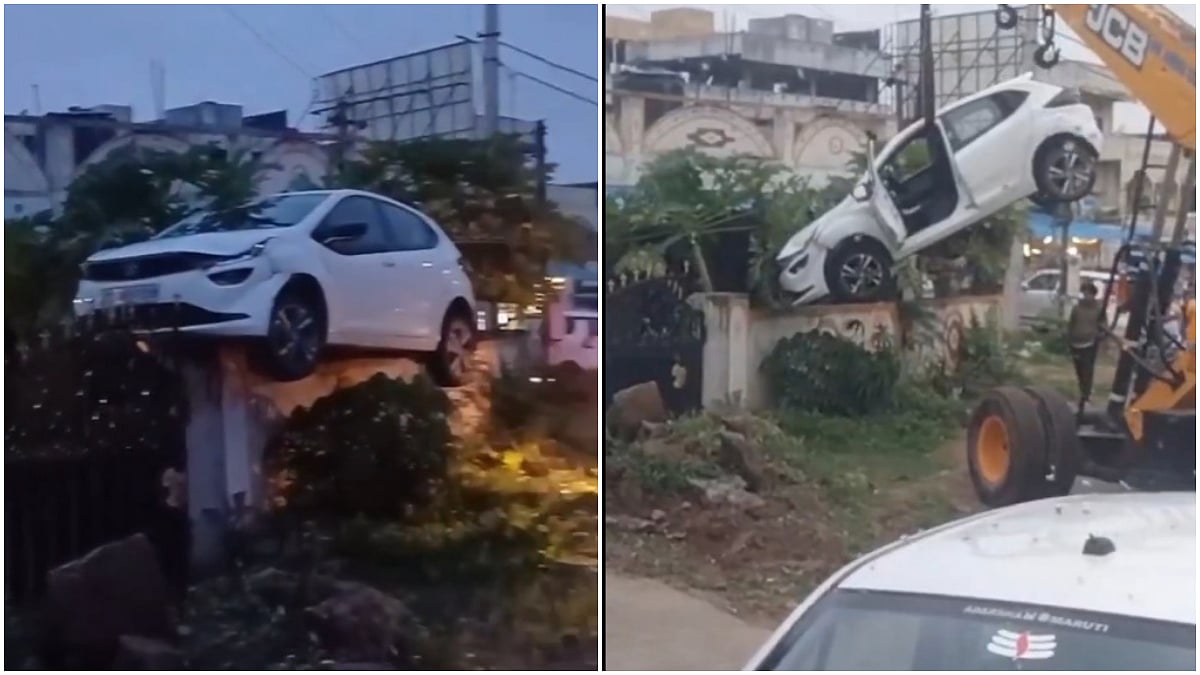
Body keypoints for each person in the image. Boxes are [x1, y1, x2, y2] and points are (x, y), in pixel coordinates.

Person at [1066, 280, 1104, 402]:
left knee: (1087, 369)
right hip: (1075, 343)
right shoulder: (1077, 309)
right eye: (1084, 293)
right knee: (1079, 368)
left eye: (1089, 293)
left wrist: (1100, 337)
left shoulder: (1098, 309)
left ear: (1093, 294)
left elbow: (1104, 326)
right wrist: (1068, 337)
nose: (1086, 296)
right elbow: (1071, 324)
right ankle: (1082, 389)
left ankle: (1086, 394)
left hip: (1090, 343)